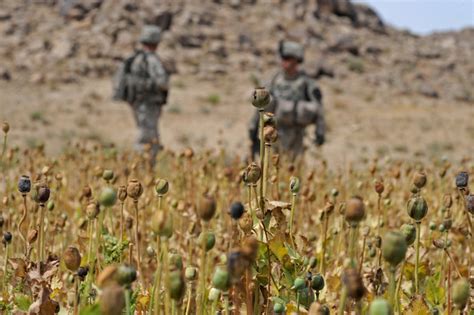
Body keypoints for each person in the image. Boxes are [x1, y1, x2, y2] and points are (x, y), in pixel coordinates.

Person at [249, 40, 326, 159]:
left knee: (294, 170)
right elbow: (261, 106)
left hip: (297, 135)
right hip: (274, 132)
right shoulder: (274, 81)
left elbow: (318, 108)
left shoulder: (306, 83)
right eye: (284, 58)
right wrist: (253, 128)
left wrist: (320, 131)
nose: (285, 62)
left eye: (289, 59)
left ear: (296, 61)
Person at [113, 25, 170, 164]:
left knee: (146, 132)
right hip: (148, 103)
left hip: (137, 102)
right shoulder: (151, 60)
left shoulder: (134, 58)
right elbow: (162, 82)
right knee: (147, 135)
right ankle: (142, 166)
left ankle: (144, 165)